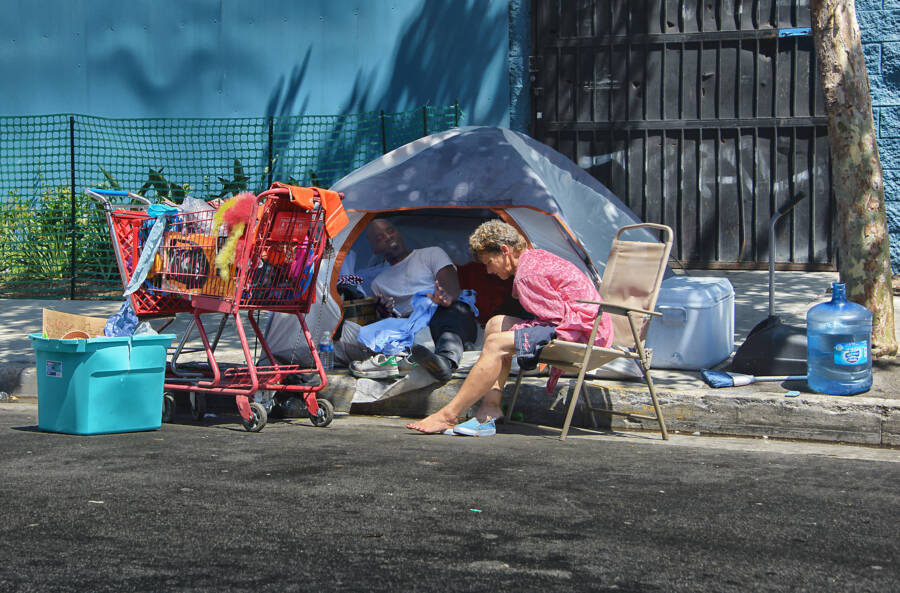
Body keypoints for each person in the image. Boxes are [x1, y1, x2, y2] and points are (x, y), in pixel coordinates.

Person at [406, 220, 613, 436]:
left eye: (489, 262)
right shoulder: (533, 260)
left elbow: (557, 319)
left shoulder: (527, 275)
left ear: (505, 251)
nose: (488, 271)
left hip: (584, 332)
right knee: (496, 324)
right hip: (584, 324)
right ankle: (490, 409)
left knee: (497, 342)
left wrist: (518, 332)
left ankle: (448, 415)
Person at [346, 218, 478, 381]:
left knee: (453, 311)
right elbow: (393, 320)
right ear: (375, 249)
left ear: (399, 233)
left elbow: (451, 287)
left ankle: (445, 362)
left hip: (446, 313)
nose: (388, 237)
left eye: (390, 231)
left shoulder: (431, 254)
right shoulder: (378, 283)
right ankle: (454, 349)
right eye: (380, 238)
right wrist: (383, 313)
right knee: (389, 332)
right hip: (414, 327)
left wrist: (445, 297)